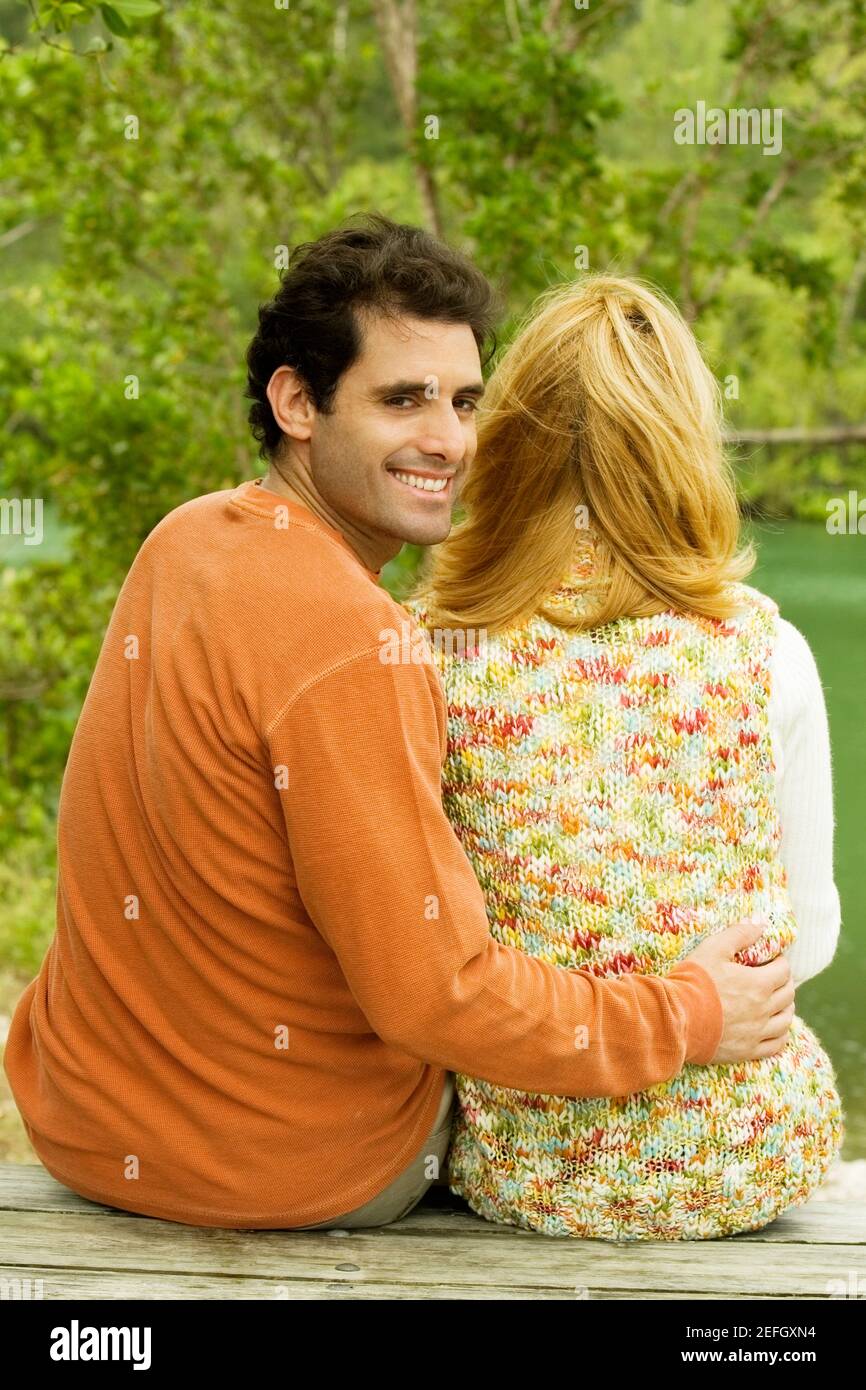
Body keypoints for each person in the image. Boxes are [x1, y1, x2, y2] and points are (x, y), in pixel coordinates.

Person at [3, 218, 793, 1232]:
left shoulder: (187, 539)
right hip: (295, 1171)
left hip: (85, 1123)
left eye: (465, 401)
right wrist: (686, 1012)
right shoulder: (355, 644)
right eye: (401, 399)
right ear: (296, 401)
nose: (448, 440)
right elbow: (437, 998)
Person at [404, 272, 844, 1240]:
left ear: (504, 447)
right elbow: (802, 950)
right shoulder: (764, 650)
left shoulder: (425, 649)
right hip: (743, 1157)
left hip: (519, 1164)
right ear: (686, 449)